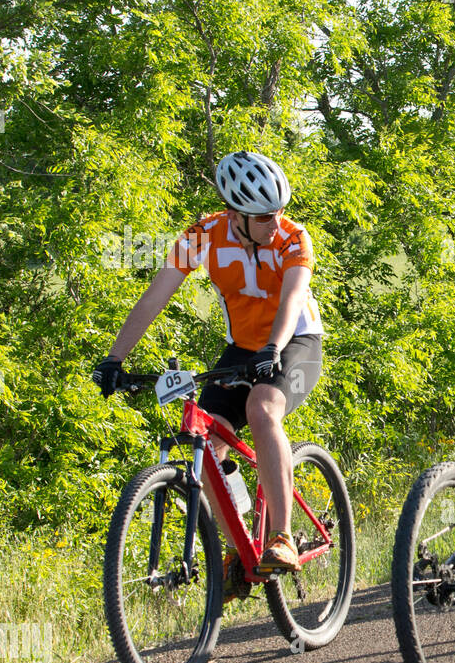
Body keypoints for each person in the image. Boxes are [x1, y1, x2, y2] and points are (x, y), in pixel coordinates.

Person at [92, 151, 325, 584]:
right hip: (242, 347)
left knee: (261, 409)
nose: (274, 223)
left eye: (277, 213)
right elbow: (154, 296)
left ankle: (282, 536)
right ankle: (242, 552)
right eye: (262, 217)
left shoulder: (294, 239)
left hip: (295, 341)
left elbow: (293, 298)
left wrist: (273, 348)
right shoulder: (205, 235)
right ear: (236, 214)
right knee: (208, 437)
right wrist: (115, 358)